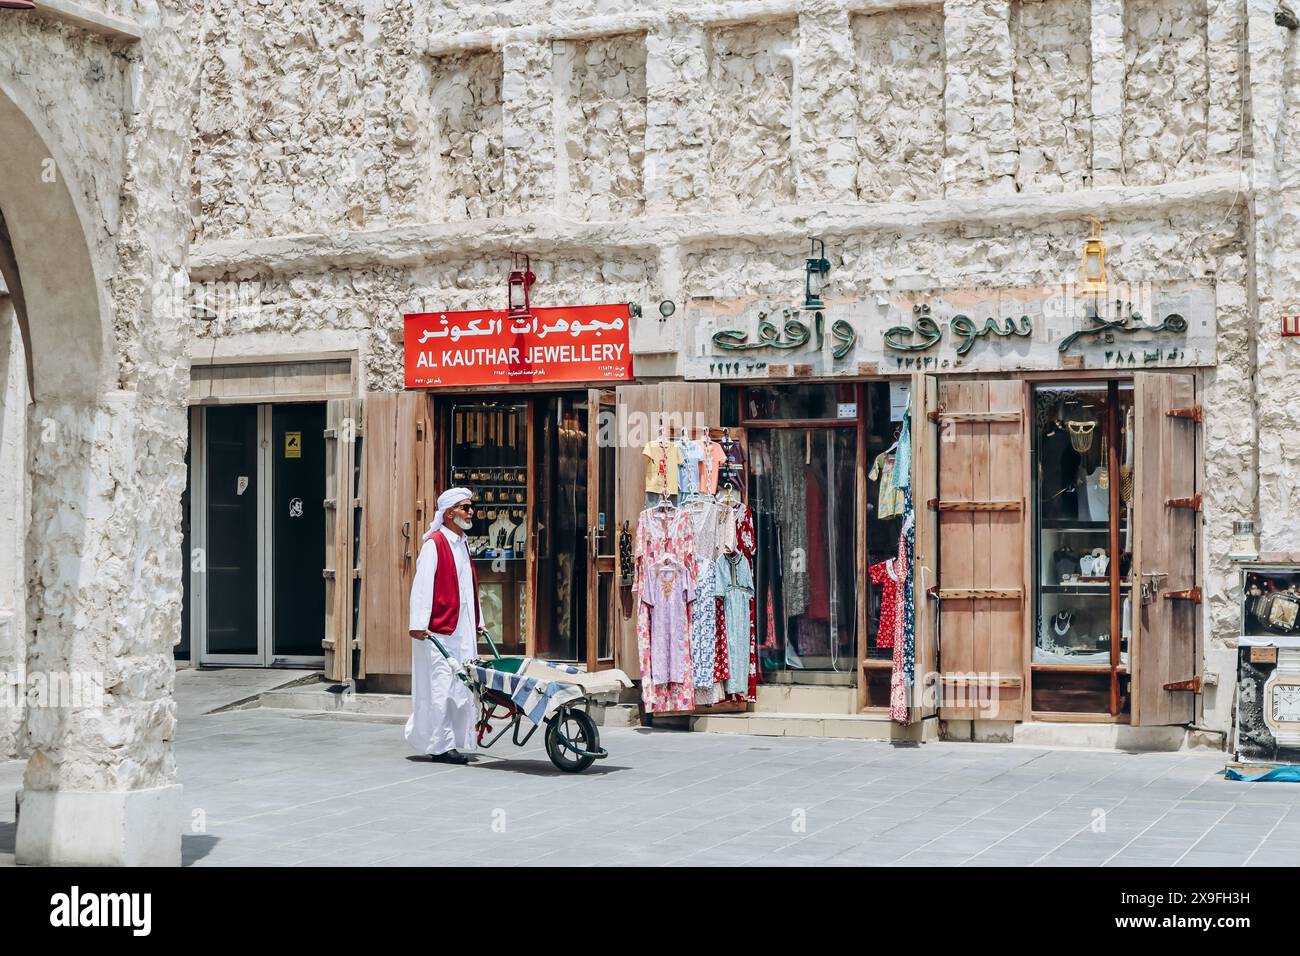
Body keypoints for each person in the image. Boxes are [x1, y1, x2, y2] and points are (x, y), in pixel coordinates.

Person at [406, 487, 483, 764]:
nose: (470, 511)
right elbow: (422, 587)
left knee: (461, 686)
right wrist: (418, 624)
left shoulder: (461, 544)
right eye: (465, 507)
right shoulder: (434, 545)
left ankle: (457, 740)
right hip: (439, 630)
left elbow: (469, 588)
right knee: (442, 687)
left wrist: (479, 621)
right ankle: (440, 745)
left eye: (470, 506)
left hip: (461, 630)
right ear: (449, 513)